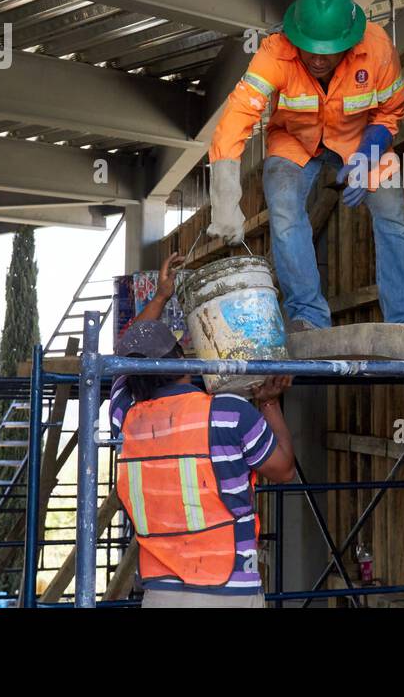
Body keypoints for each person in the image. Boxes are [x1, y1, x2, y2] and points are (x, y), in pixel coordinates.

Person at [206, 0, 404, 331]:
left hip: (359, 140)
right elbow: (237, 118)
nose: (319, 58)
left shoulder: (377, 46)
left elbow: (391, 111)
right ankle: (308, 315)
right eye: (311, 48)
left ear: (350, 41)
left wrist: (368, 155)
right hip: (294, 140)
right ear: (296, 36)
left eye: (329, 49)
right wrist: (225, 198)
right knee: (285, 210)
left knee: (393, 213)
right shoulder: (274, 52)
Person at [111, 251, 295, 608]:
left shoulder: (125, 419)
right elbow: (284, 468)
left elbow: (126, 356)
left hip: (159, 593)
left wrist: (162, 295)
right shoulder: (229, 414)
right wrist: (270, 404)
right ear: (184, 361)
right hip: (229, 588)